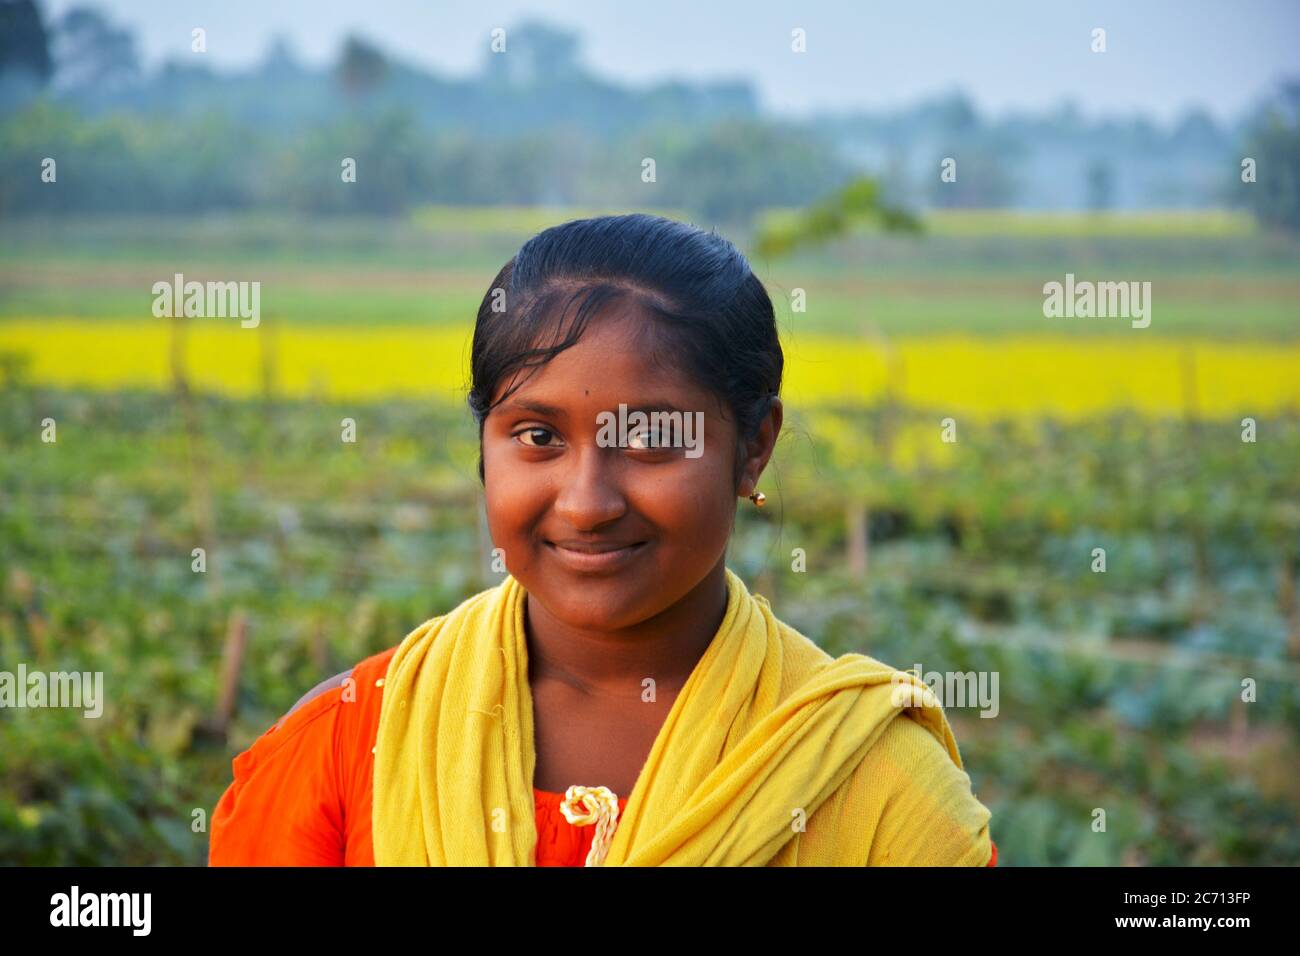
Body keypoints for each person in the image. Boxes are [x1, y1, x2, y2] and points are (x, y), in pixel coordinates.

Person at [208, 213, 997, 867]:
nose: (587, 503)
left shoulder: (874, 782)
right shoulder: (353, 746)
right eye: (539, 436)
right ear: (485, 445)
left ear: (753, 445)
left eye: (651, 438)